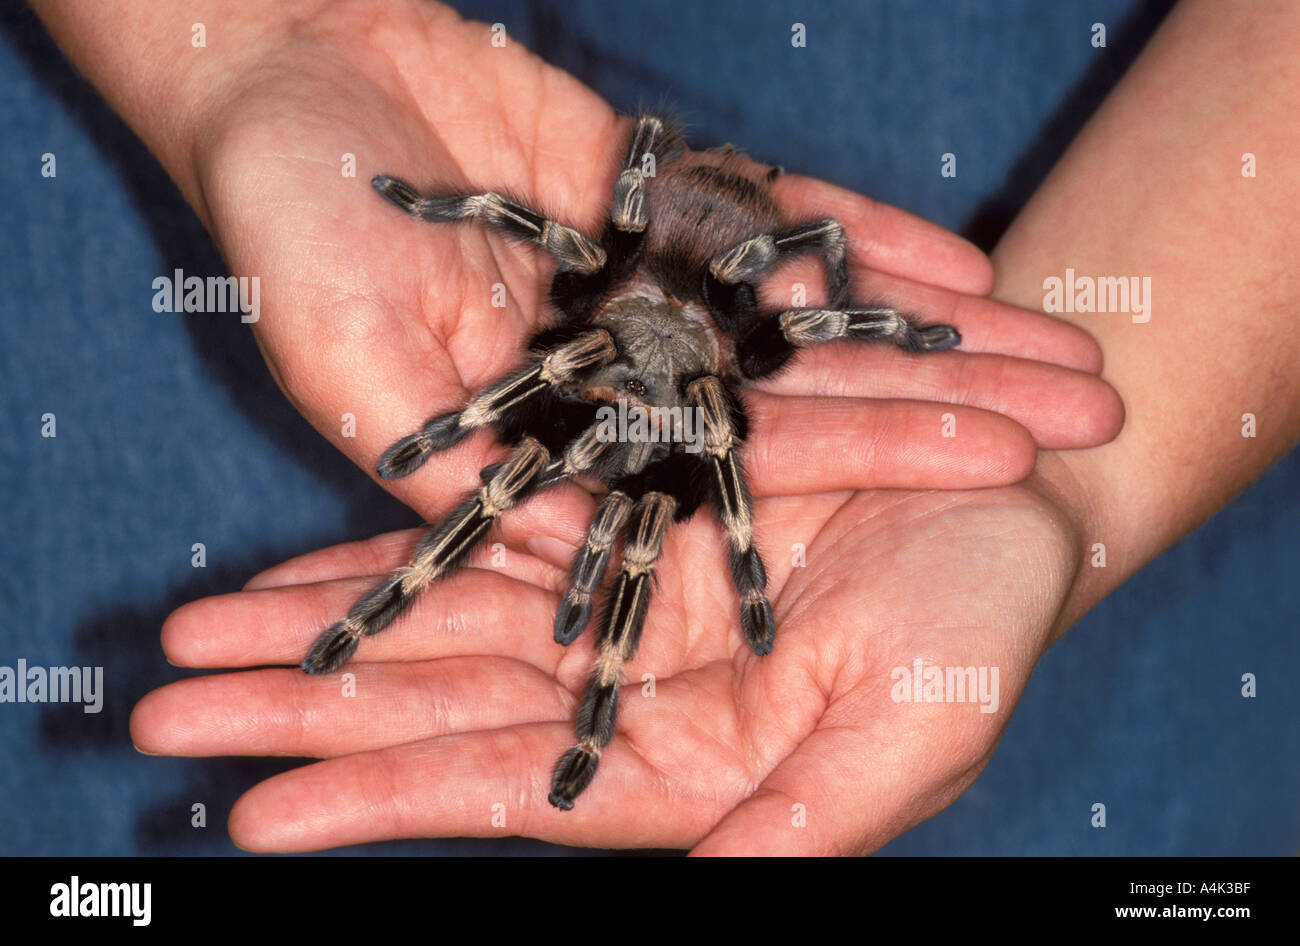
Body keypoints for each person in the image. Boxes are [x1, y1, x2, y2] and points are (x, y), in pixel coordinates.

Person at [29, 0, 1297, 854]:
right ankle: (365, 625)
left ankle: (576, 719)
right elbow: (551, 239)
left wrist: (776, 560)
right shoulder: (595, 283)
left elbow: (783, 350)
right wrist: (263, 36)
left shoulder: (729, 367)